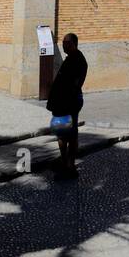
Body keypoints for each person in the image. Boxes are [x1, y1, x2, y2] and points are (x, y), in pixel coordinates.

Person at [46, 32, 88, 178]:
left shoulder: (79, 60)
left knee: (69, 135)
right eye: (63, 42)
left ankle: (70, 164)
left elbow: (75, 85)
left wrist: (67, 103)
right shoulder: (71, 58)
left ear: (74, 44)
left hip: (69, 105)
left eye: (67, 43)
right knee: (62, 134)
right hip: (61, 105)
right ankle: (65, 162)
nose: (64, 45)